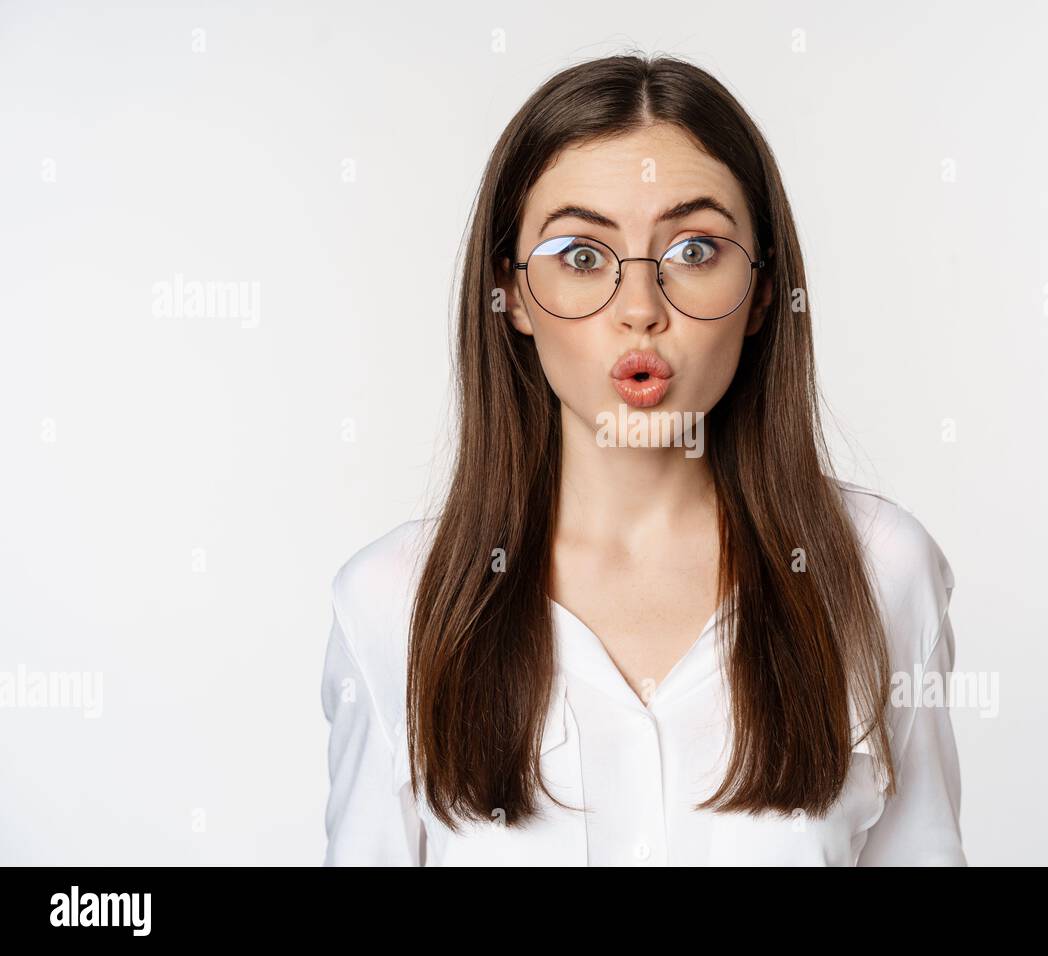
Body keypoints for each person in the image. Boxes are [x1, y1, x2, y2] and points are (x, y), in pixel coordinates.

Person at [321, 52, 967, 866]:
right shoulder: (391, 604)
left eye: (694, 251)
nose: (640, 310)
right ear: (511, 295)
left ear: (764, 290)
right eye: (581, 255)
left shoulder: (882, 572)